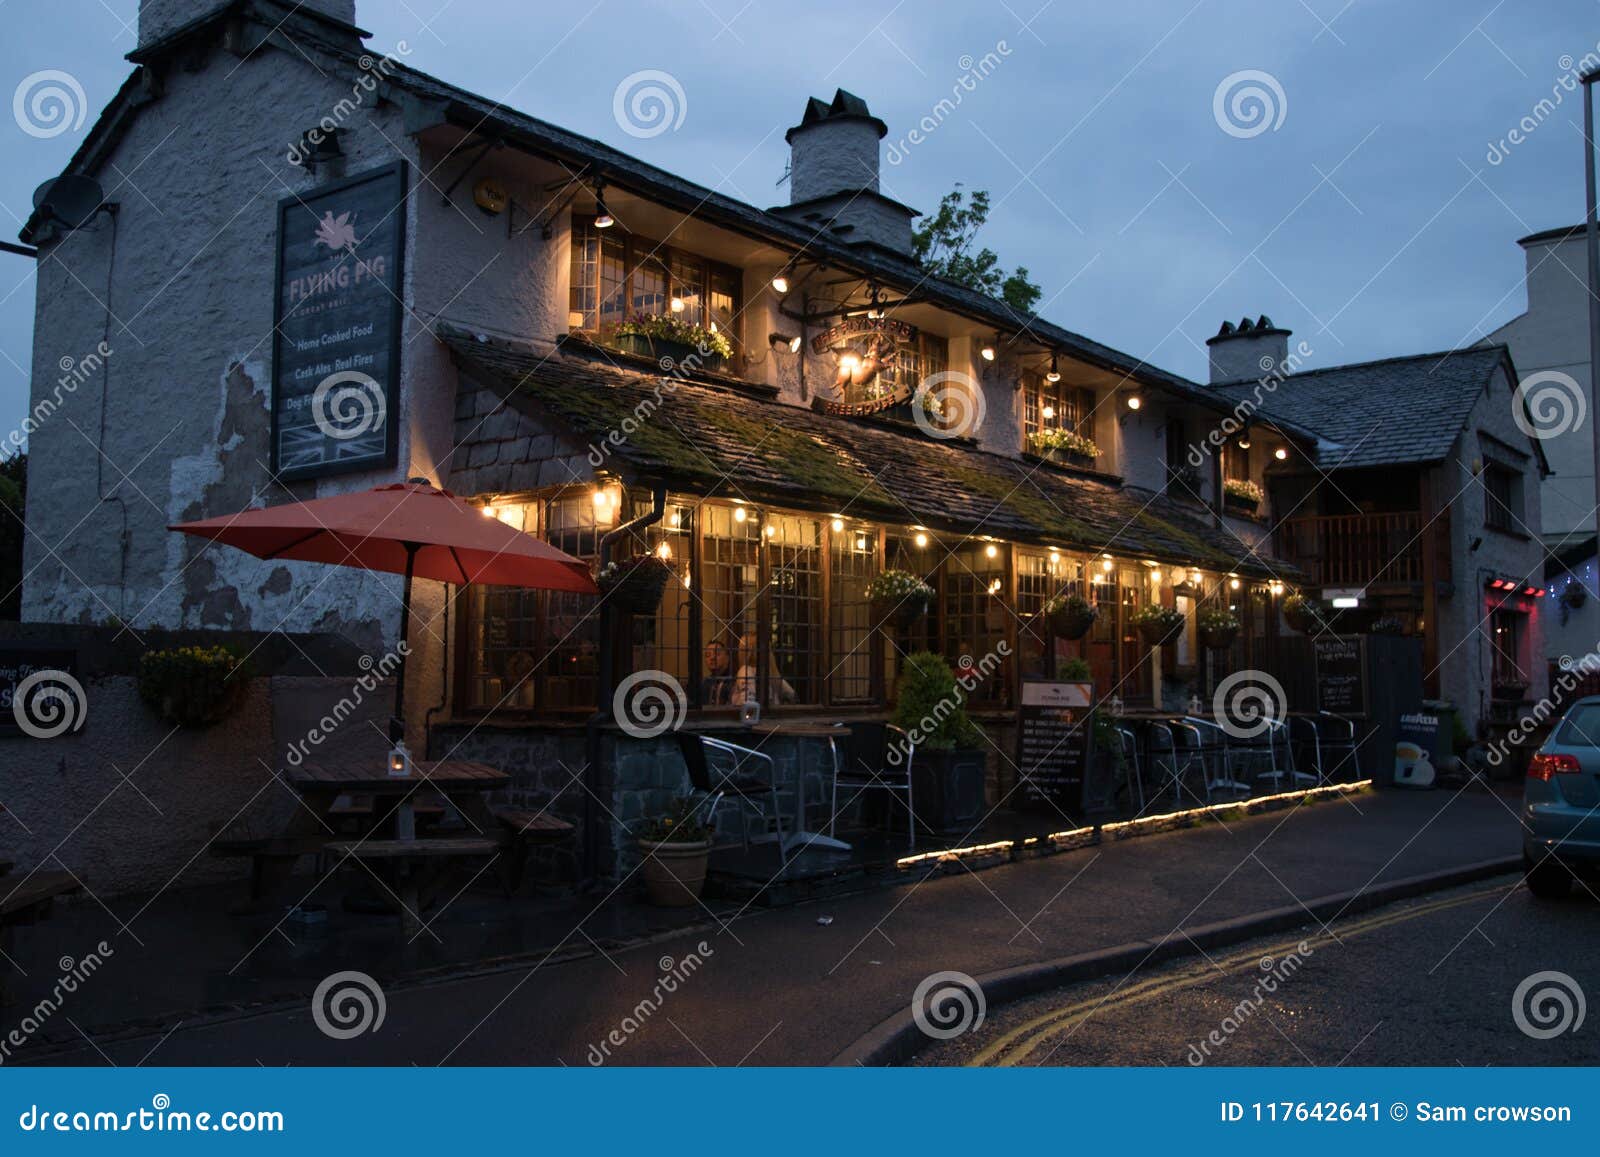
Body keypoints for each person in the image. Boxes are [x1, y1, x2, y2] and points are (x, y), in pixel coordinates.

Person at [733, 633, 797, 707]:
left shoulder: (745, 671)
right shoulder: (772, 674)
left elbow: (748, 701)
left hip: (755, 716)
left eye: (741, 649)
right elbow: (792, 696)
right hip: (773, 716)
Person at [700, 638, 734, 705]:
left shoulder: (733, 681)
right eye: (708, 655)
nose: (712, 658)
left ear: (727, 658)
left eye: (717, 654)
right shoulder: (705, 682)